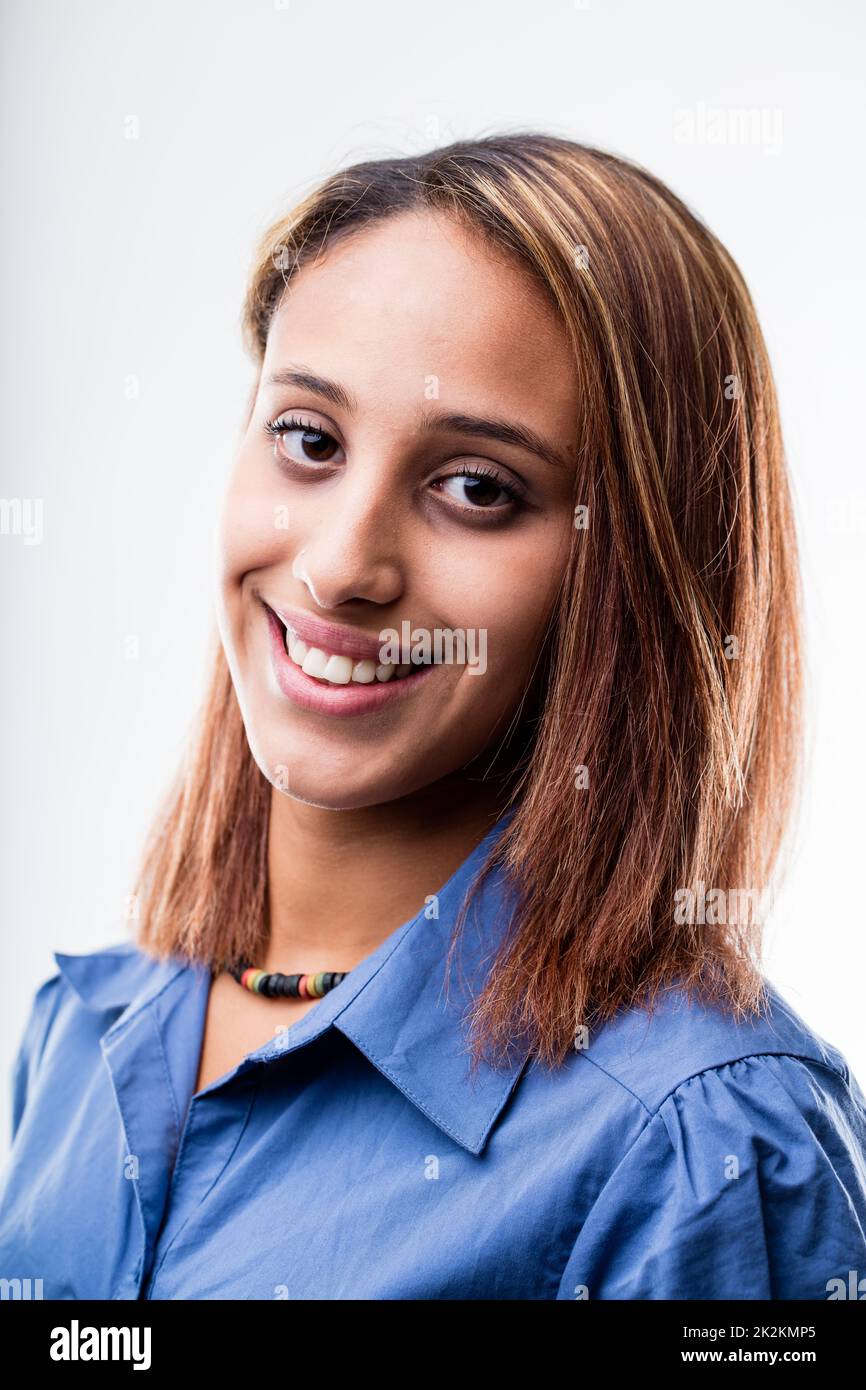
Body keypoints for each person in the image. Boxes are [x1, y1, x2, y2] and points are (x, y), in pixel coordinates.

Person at [2, 132, 865, 1301]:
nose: (339, 567)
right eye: (307, 439)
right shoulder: (84, 1029)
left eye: (476, 488)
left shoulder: (700, 1144)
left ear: (633, 577)